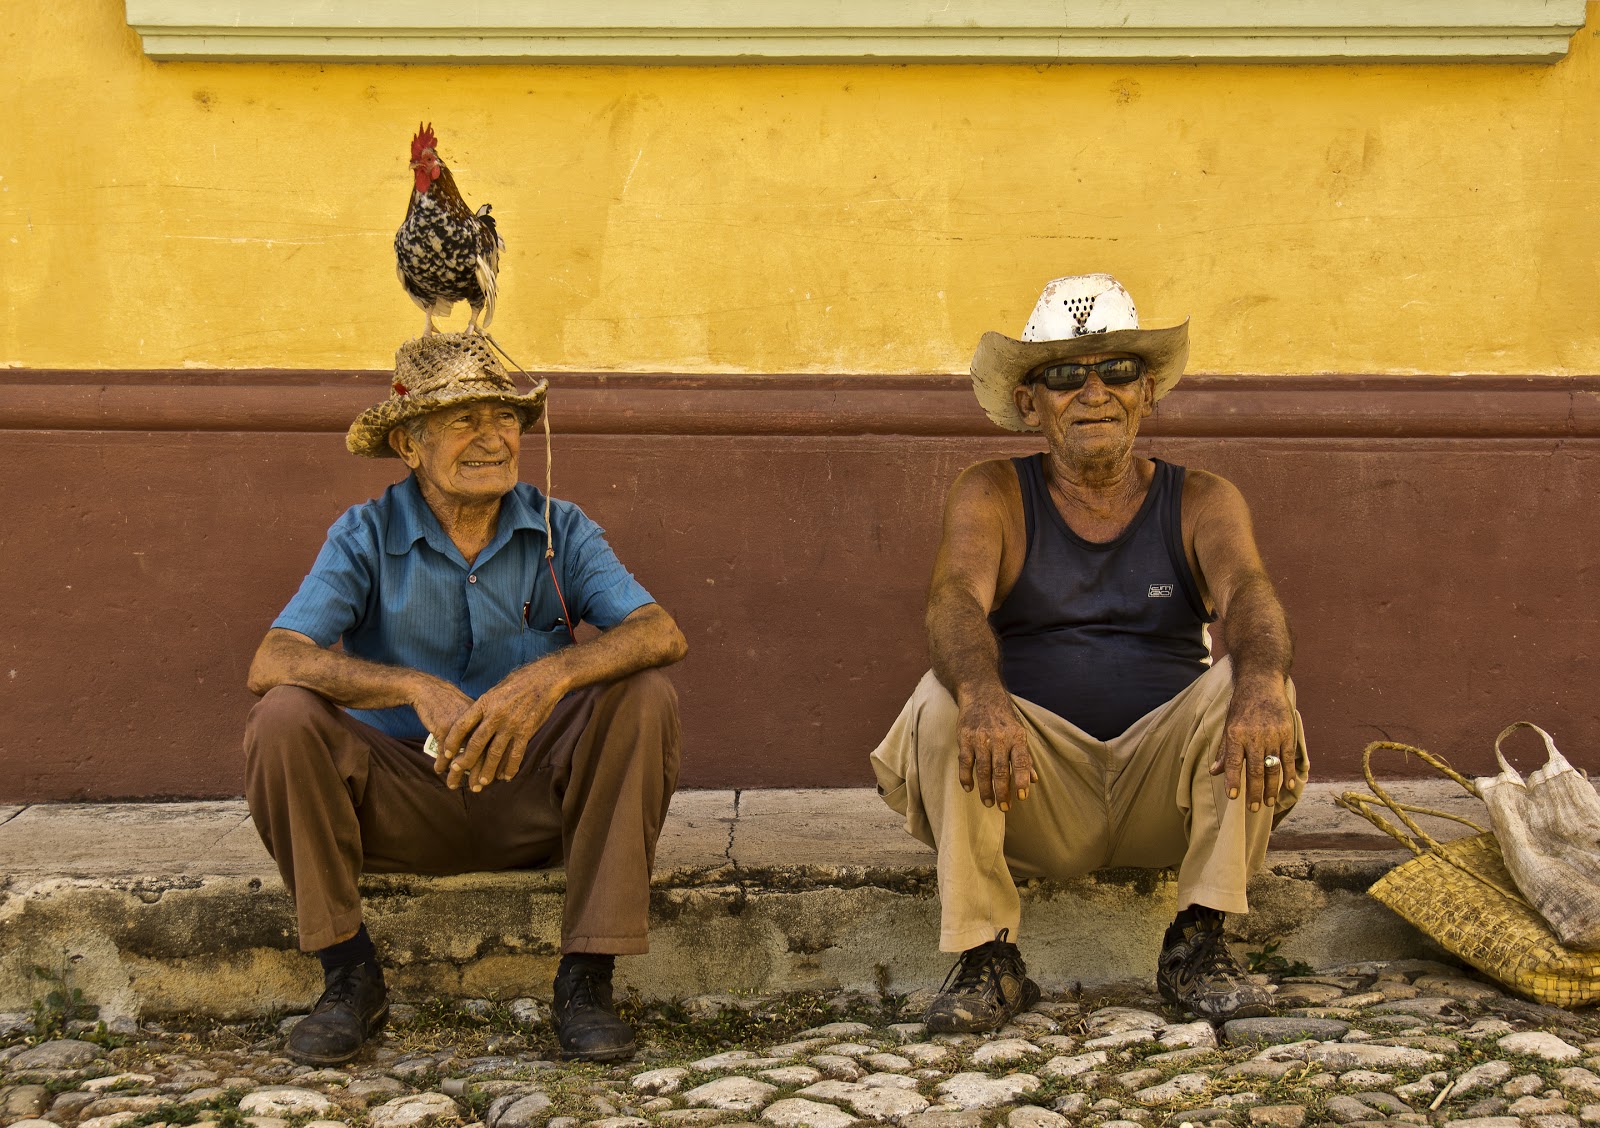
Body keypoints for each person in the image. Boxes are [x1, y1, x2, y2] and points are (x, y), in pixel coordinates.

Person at [871, 274, 1308, 1031]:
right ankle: (986, 960)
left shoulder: (1203, 497)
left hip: (1165, 789)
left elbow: (1248, 593)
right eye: (1066, 375)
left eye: (1118, 372)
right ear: (1029, 402)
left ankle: (1199, 945)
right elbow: (954, 601)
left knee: (1258, 682)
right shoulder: (992, 492)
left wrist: (1265, 680)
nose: (1095, 392)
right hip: (1032, 788)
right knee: (944, 700)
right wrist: (983, 697)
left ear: (1149, 394)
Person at [243, 333, 686, 1065]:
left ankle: (587, 978)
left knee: (643, 693)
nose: (492, 439)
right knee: (283, 717)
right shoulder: (364, 533)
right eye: (462, 420)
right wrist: (411, 685)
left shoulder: (559, 526)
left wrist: (547, 677)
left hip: (533, 798)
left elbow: (658, 631)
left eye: (504, 418)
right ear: (409, 444)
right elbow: (274, 659)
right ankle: (349, 972)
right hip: (402, 804)